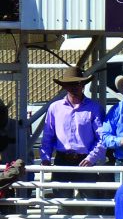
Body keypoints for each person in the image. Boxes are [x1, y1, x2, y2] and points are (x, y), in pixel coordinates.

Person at [39, 67, 105, 196]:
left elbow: (102, 137)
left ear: (83, 85)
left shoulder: (95, 108)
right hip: (62, 160)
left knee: (90, 203)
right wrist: (45, 158)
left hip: (85, 159)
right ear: (65, 86)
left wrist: (91, 158)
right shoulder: (55, 108)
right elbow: (48, 136)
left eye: (77, 83)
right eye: (70, 84)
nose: (74, 87)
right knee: (62, 202)